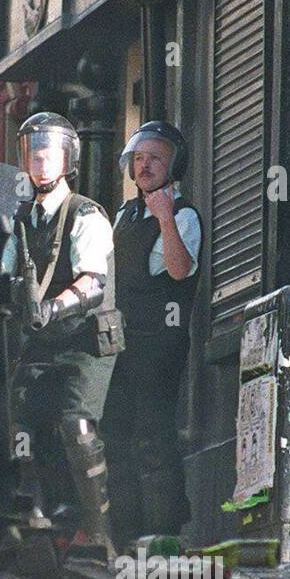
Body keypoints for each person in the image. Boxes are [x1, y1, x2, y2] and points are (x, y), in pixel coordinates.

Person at [2, 112, 120, 560]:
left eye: (47, 151)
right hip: (41, 340)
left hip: (86, 339)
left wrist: (51, 306)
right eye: (32, 151)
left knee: (76, 424)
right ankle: (38, 520)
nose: (39, 159)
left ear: (67, 157)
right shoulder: (21, 220)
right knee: (19, 418)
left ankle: (99, 533)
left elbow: (94, 283)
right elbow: (4, 272)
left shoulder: (86, 213)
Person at [100, 120, 202, 543]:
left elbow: (179, 269)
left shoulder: (184, 215)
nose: (145, 166)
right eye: (140, 158)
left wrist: (164, 218)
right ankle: (125, 533)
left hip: (160, 341)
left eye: (155, 159)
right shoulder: (125, 214)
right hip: (120, 340)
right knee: (115, 435)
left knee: (153, 434)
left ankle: (163, 531)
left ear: (173, 165)